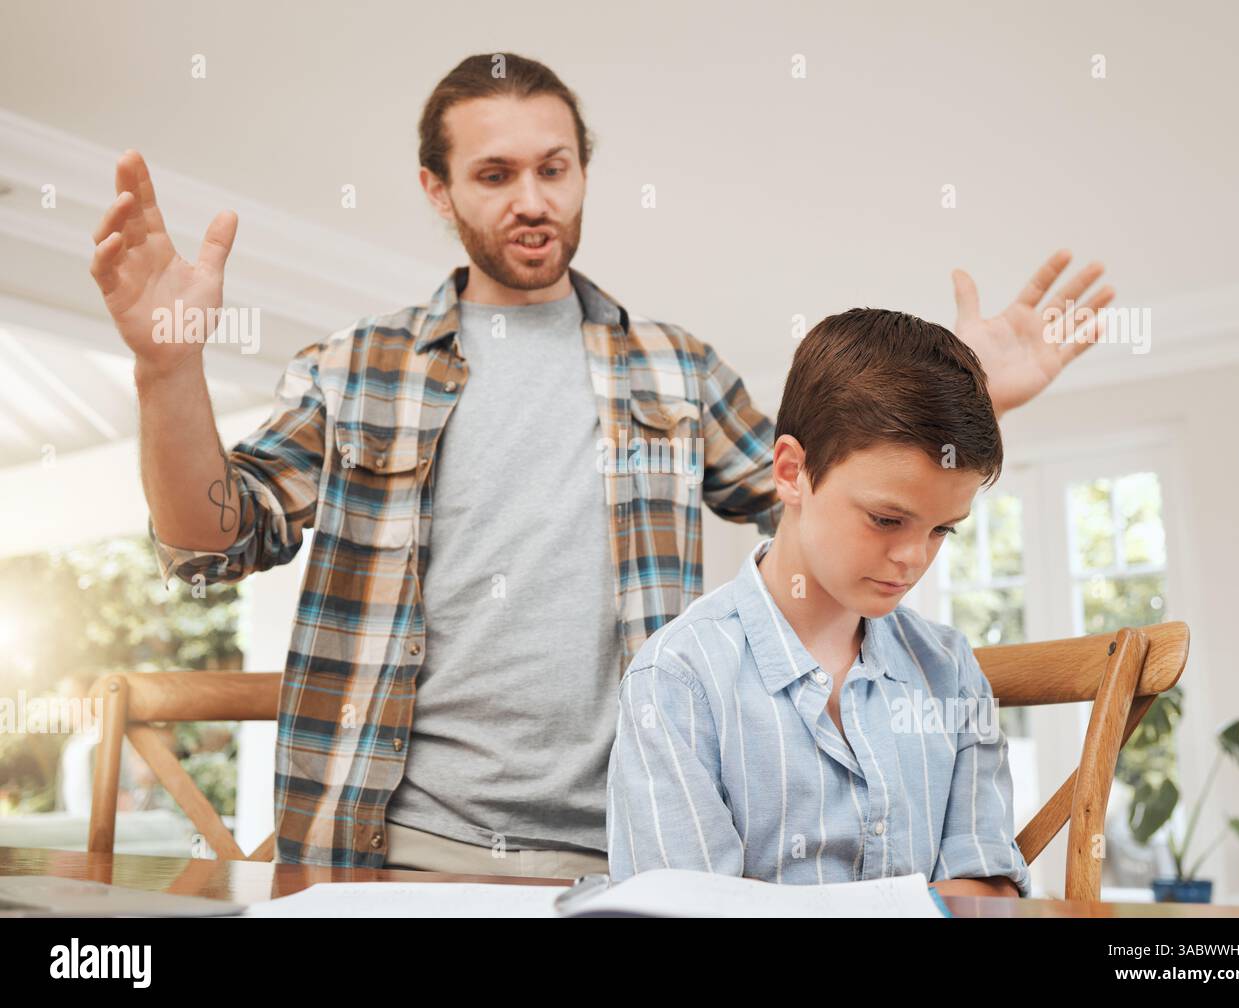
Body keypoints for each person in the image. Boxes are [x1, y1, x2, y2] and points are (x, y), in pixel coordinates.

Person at [89, 52, 1111, 872]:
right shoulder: (360, 369)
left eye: (554, 167)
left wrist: (957, 400)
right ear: (435, 190)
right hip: (394, 857)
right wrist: (165, 372)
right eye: (493, 175)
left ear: (582, 168)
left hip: (630, 860)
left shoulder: (675, 370)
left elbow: (827, 499)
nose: (531, 198)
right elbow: (211, 542)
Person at [606, 307, 1031, 898]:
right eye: (886, 519)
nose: (914, 557)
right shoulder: (679, 681)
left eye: (942, 529)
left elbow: (989, 888)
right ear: (791, 471)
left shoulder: (950, 668)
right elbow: (685, 911)